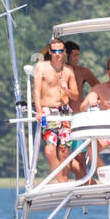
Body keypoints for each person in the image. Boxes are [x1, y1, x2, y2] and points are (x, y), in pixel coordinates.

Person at [33, 39, 81, 183]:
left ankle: (64, 181)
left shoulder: (68, 71)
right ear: (50, 51)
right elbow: (36, 91)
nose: (57, 54)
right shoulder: (41, 67)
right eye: (54, 51)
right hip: (48, 111)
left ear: (64, 52)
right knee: (49, 151)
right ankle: (61, 181)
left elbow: (76, 95)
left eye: (60, 51)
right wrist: (39, 111)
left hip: (65, 112)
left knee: (64, 151)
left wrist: (66, 89)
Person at [64, 42, 99, 113]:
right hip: (60, 114)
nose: (77, 58)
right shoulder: (57, 71)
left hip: (77, 113)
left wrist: (93, 98)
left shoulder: (83, 72)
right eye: (75, 55)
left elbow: (99, 88)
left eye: (78, 55)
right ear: (66, 56)